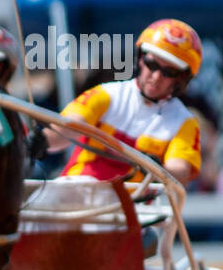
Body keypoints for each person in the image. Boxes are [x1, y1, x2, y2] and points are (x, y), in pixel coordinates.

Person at [45, 19, 202, 186]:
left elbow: (180, 172)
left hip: (134, 200)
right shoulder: (105, 94)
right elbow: (67, 128)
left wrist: (157, 168)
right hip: (77, 188)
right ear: (140, 59)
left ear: (182, 79)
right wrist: (40, 141)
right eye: (152, 64)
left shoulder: (185, 122)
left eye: (168, 72)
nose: (156, 77)